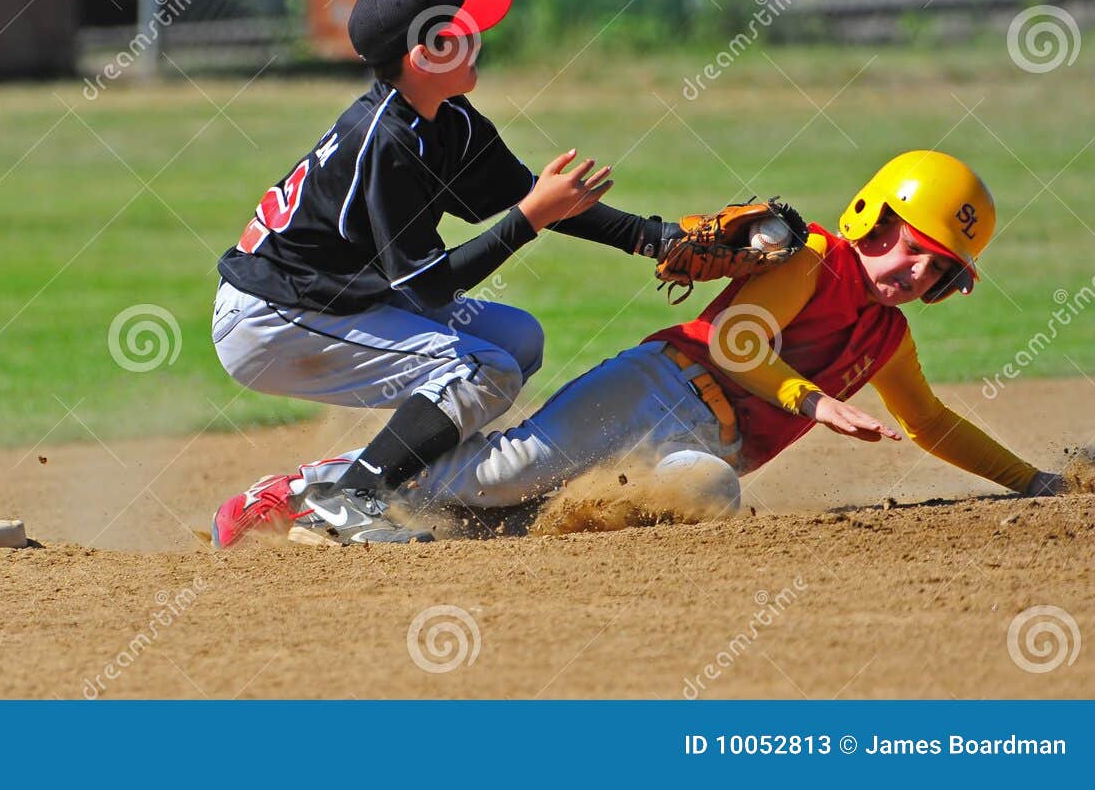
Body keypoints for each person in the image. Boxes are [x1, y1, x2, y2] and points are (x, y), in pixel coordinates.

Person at [223, 150, 1064, 541]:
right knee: (500, 471)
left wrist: (1032, 481)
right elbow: (737, 343)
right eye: (908, 242)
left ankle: (428, 527)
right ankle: (312, 488)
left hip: (705, 442)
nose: (913, 269)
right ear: (870, 217)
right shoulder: (814, 257)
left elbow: (930, 420)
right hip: (658, 389)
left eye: (937, 265)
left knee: (705, 494)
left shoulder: (888, 334)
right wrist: (813, 401)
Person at [209, 0, 682, 546]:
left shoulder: (447, 119)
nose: (479, 37)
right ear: (421, 55)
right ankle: (353, 500)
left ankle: (333, 486)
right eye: (459, 30)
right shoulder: (387, 141)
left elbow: (533, 195)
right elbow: (432, 285)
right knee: (483, 369)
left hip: (329, 301)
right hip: (273, 319)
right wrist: (529, 219)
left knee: (517, 341)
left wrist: (657, 238)